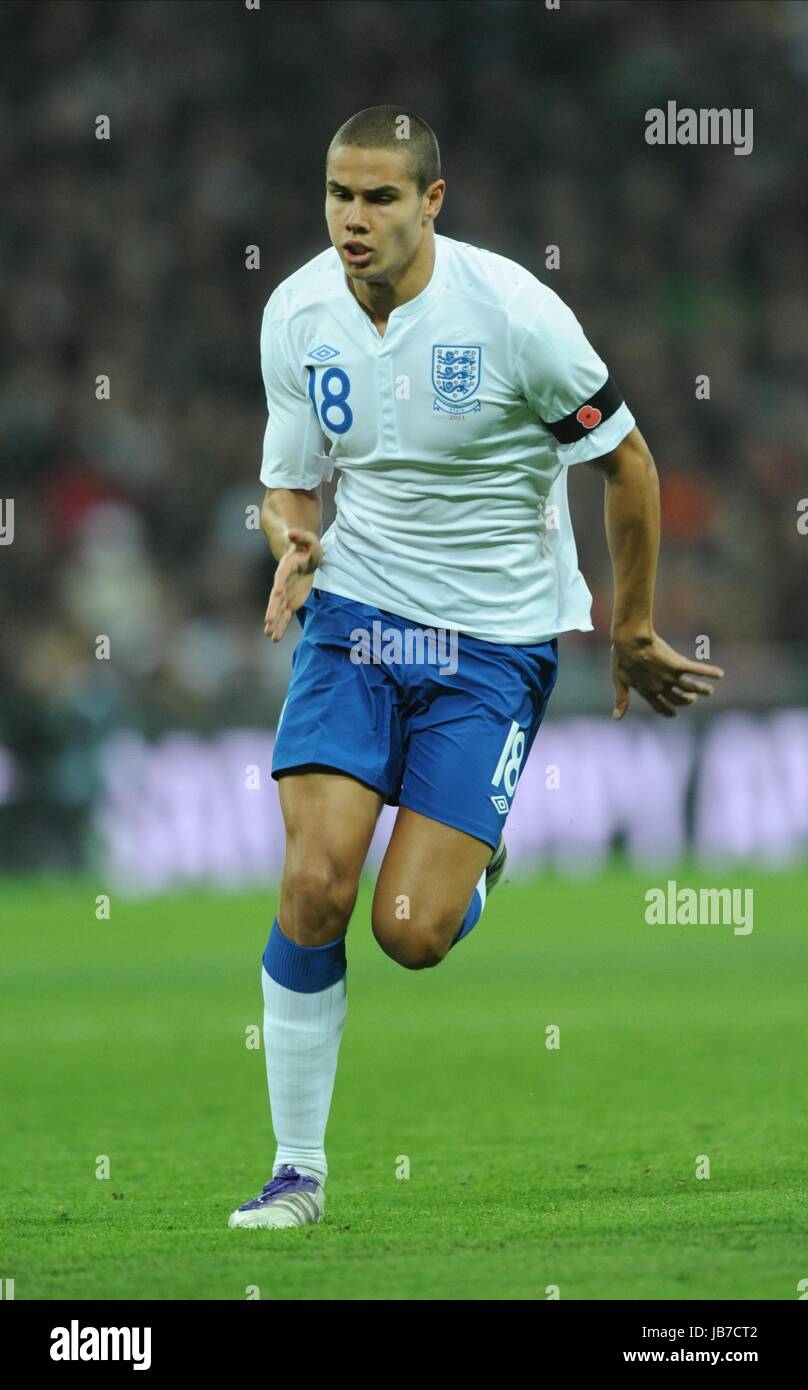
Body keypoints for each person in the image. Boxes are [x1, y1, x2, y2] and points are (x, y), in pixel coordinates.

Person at [228, 105, 723, 1230]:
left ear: (432, 202)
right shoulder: (295, 313)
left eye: (380, 198)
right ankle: (294, 1173)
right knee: (313, 886)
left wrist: (632, 629)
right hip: (355, 621)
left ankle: (478, 860)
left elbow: (627, 462)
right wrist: (289, 541)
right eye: (339, 196)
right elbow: (291, 480)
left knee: (408, 931)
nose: (354, 219)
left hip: (491, 645)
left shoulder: (513, 315)